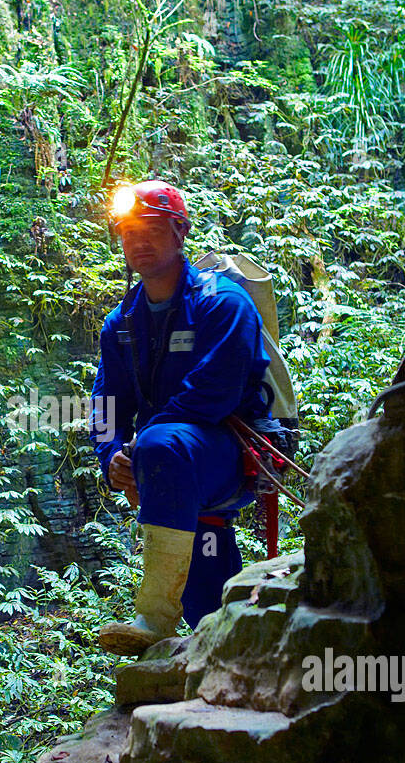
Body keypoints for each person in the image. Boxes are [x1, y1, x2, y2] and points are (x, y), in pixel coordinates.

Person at [89, 179, 272, 656]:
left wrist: (141, 446)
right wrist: (112, 457)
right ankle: (224, 655)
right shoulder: (122, 324)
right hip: (170, 464)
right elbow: (107, 401)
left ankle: (153, 615)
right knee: (207, 576)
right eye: (128, 232)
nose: (138, 241)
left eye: (150, 228)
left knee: (161, 445)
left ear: (180, 232)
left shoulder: (223, 302)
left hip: (225, 454)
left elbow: (213, 394)